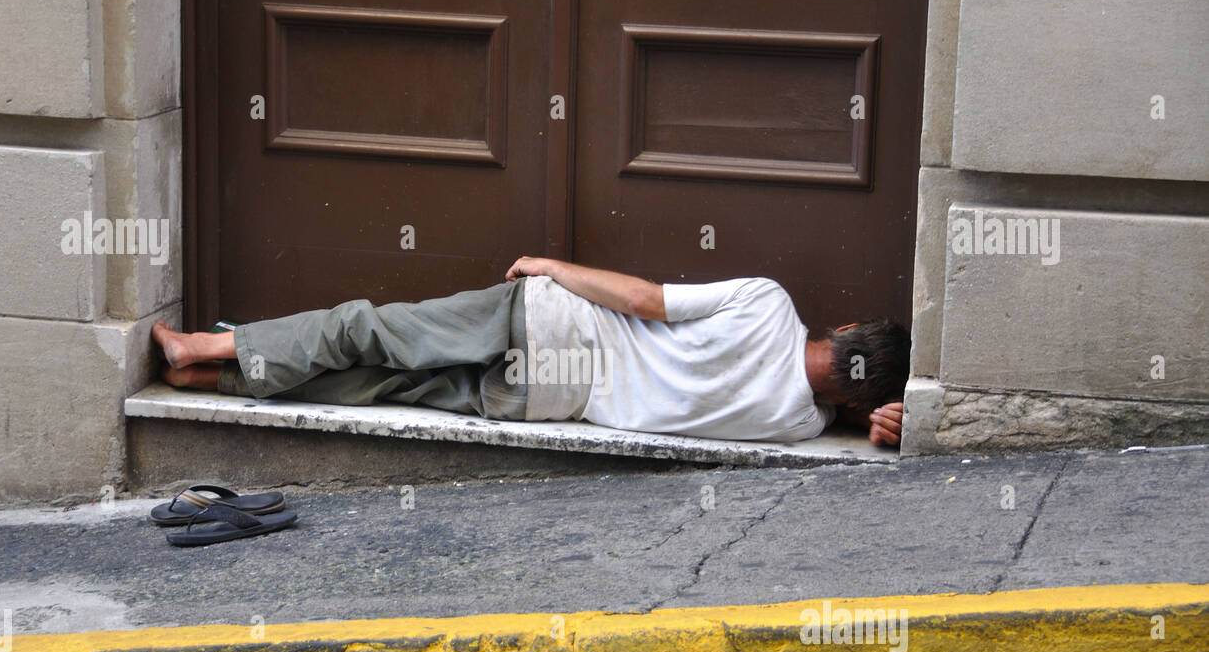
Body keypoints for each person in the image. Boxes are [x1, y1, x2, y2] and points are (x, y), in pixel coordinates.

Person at [152, 256, 908, 446]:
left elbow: (644, 300)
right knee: (371, 389)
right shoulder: (800, 425)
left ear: (843, 329)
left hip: (546, 324)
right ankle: (212, 382)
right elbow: (835, 409)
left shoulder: (769, 305)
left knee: (369, 331)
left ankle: (208, 344)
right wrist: (877, 423)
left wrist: (555, 267)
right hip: (548, 398)